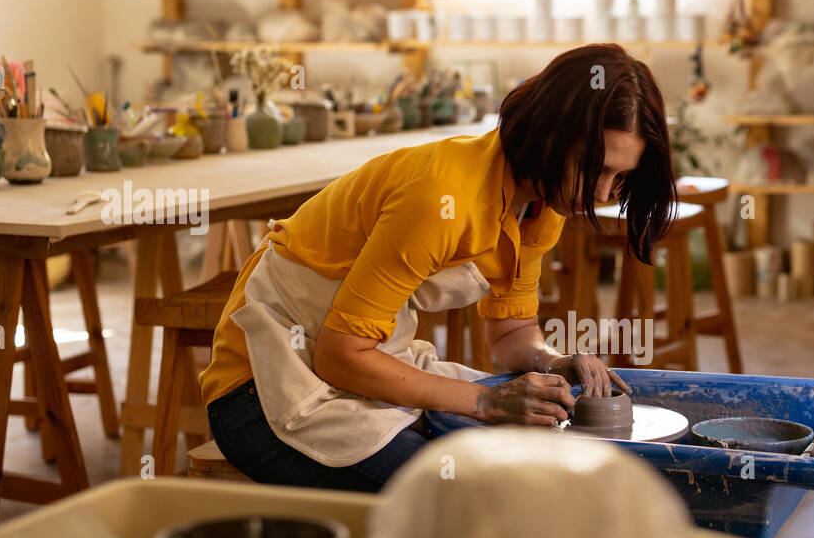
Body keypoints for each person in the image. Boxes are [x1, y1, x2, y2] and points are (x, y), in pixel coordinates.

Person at [199, 44, 677, 491]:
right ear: (551, 134)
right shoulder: (440, 195)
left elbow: (512, 334)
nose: (601, 193)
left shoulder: (541, 207)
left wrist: (552, 362)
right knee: (462, 489)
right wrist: (486, 402)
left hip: (365, 371)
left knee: (534, 457)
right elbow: (338, 356)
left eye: (620, 177)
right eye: (595, 169)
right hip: (266, 389)